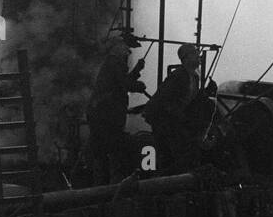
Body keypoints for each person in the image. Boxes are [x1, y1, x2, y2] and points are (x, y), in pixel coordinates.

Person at [86, 34, 146, 183]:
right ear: (117, 47)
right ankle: (109, 186)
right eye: (126, 48)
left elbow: (121, 83)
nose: (128, 52)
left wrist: (137, 70)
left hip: (102, 114)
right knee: (112, 149)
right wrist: (138, 85)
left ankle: (101, 186)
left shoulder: (111, 63)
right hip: (107, 115)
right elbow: (124, 84)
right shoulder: (115, 63)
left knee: (102, 151)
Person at [139, 43, 206, 174]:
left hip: (172, 118)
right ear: (186, 58)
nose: (199, 57)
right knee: (172, 151)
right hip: (162, 119)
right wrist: (182, 118)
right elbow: (165, 101)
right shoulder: (179, 76)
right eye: (195, 54)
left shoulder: (193, 76)